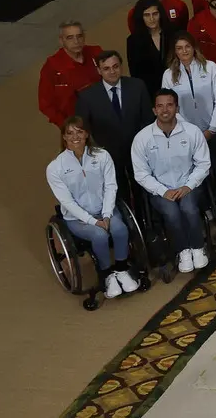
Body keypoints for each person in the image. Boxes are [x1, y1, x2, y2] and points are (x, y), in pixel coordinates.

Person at [48, 116, 140, 298]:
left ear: (86, 134)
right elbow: (67, 202)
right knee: (99, 235)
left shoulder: (102, 156)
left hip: (105, 209)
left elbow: (111, 186)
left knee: (120, 229)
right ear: (64, 137)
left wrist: (106, 215)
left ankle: (121, 269)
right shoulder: (55, 168)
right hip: (77, 218)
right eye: (70, 133)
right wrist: (93, 221)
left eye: (79, 132)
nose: (75, 137)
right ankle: (106, 275)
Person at [131, 88, 212, 274]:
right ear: (154, 110)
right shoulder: (142, 138)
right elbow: (141, 173)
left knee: (189, 208)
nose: (165, 110)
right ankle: (183, 251)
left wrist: (188, 186)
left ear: (177, 108)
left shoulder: (192, 132)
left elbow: (203, 164)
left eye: (169, 105)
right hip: (160, 190)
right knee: (172, 213)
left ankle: (198, 247)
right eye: (160, 106)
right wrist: (163, 191)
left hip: (189, 185)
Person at [73, 50, 151, 177]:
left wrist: (142, 145)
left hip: (138, 152)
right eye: (106, 68)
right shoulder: (87, 96)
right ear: (99, 71)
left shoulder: (137, 86)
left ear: (121, 66)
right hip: (107, 156)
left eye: (115, 66)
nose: (112, 71)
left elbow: (148, 119)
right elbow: (84, 129)